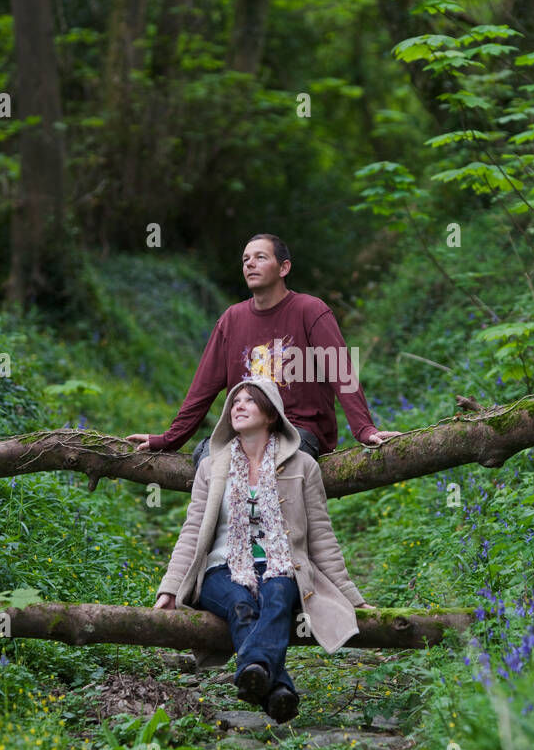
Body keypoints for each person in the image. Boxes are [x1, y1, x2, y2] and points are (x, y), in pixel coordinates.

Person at [153, 376, 374, 723]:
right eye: (234, 402)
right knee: (241, 604)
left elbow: (322, 537)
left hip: (282, 565)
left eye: (248, 401)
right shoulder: (212, 467)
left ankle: (264, 682)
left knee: (276, 596)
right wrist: (170, 587)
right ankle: (276, 686)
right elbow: (192, 531)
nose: (238, 406)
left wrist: (351, 595)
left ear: (271, 414)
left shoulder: (304, 466)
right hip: (220, 569)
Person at [126, 233, 401, 466]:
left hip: (299, 431)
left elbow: (342, 374)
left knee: (274, 462)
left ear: (284, 268)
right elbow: (203, 389)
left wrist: (365, 430)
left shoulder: (310, 311)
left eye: (260, 257)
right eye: (245, 259)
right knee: (207, 459)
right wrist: (170, 439)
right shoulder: (231, 320)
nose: (250, 264)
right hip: (245, 432)